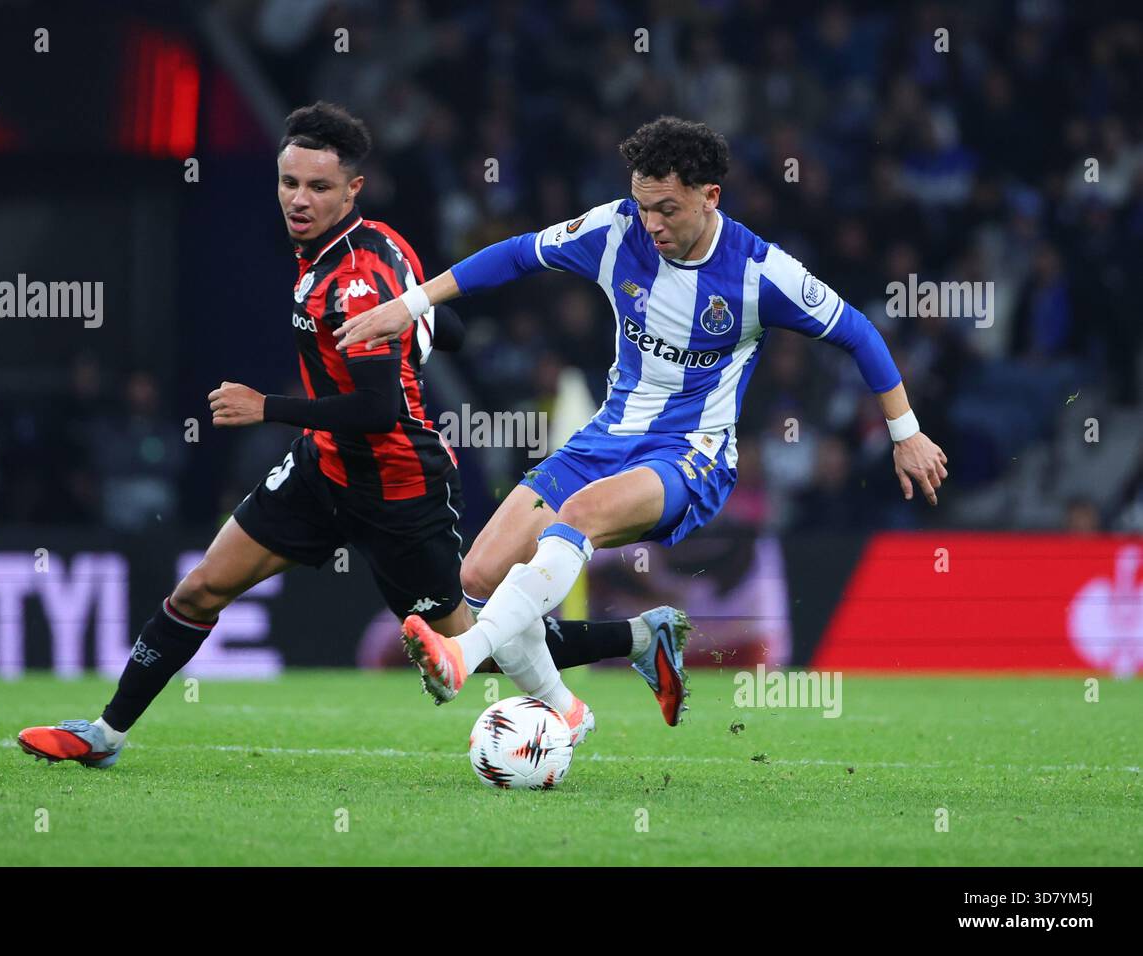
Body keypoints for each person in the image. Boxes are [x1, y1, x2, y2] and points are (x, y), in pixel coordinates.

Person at [17, 103, 690, 769]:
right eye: (289, 183)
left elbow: (376, 408)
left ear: (352, 189)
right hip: (321, 470)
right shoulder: (372, 246)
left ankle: (635, 639)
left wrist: (267, 407)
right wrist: (420, 333)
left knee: (475, 639)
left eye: (318, 187)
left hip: (398, 488)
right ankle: (105, 735)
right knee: (199, 590)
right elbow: (442, 328)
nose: (299, 200)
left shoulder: (358, 279)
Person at [336, 115, 949, 712]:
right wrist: (410, 304)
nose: (649, 222)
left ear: (710, 197)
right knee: (480, 573)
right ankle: (593, 687)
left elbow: (858, 331)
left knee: (576, 519)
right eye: (642, 204)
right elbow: (518, 255)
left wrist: (907, 433)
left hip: (690, 456)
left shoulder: (759, 272)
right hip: (606, 438)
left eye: (666, 209)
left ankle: (462, 658)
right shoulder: (613, 231)